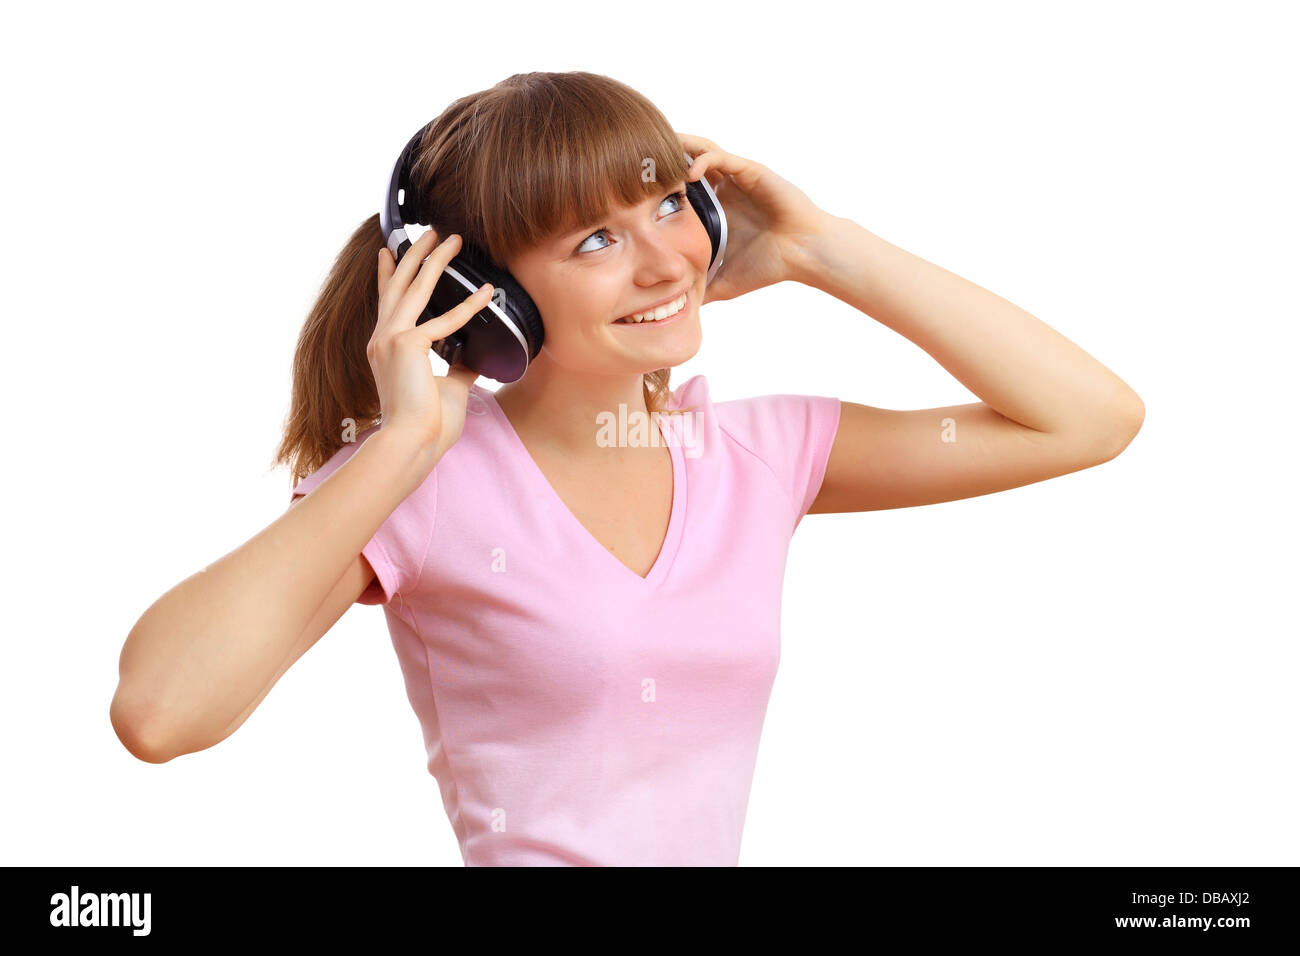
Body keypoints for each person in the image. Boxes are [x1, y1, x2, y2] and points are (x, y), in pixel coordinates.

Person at [110, 71, 1145, 866]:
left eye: (668, 206)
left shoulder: (754, 455)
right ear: (490, 292)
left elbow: (1089, 420)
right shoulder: (418, 477)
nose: (665, 261)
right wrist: (399, 444)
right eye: (596, 237)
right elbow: (160, 712)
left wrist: (825, 249)